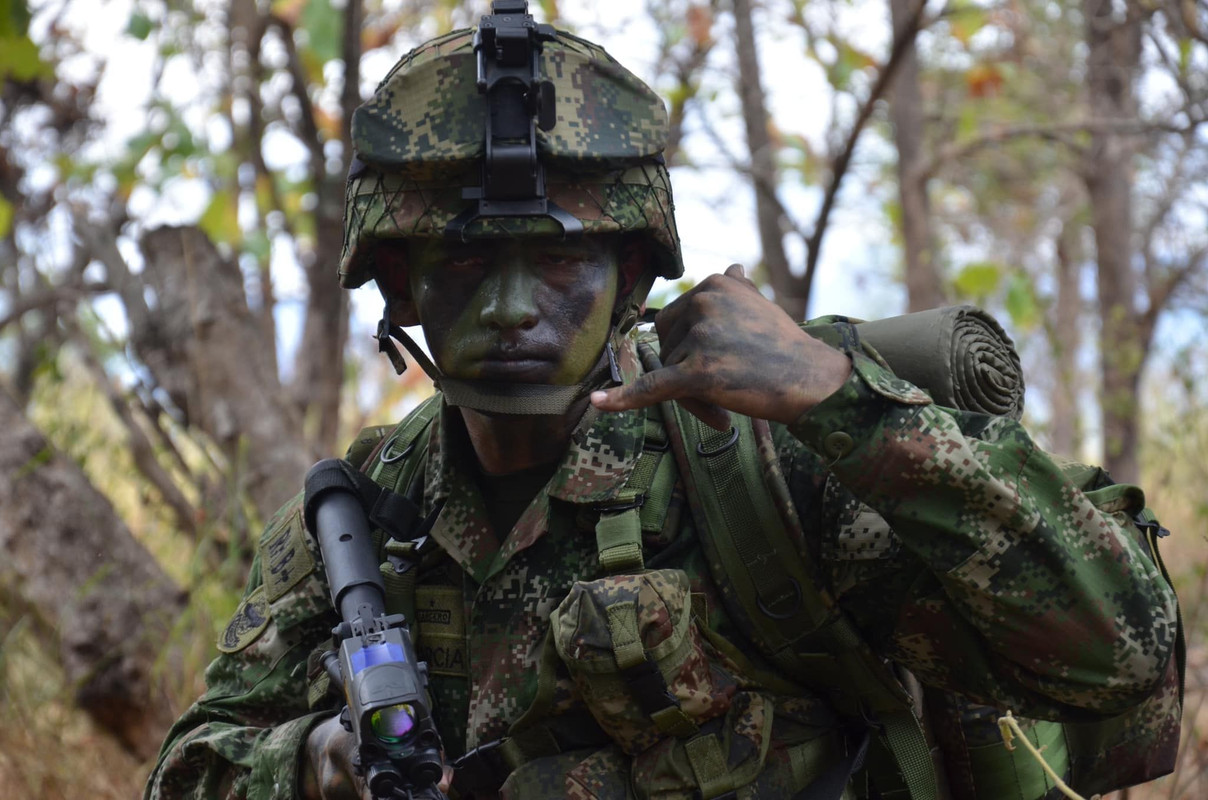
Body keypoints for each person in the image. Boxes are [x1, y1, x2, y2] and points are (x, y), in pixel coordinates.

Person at [145, 9, 1178, 800]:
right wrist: (315, 759)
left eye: (557, 260)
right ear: (401, 286)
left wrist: (836, 401)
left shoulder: (762, 467)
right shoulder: (356, 517)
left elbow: (1119, 652)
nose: (512, 308)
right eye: (465, 257)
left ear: (633, 273)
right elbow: (190, 764)